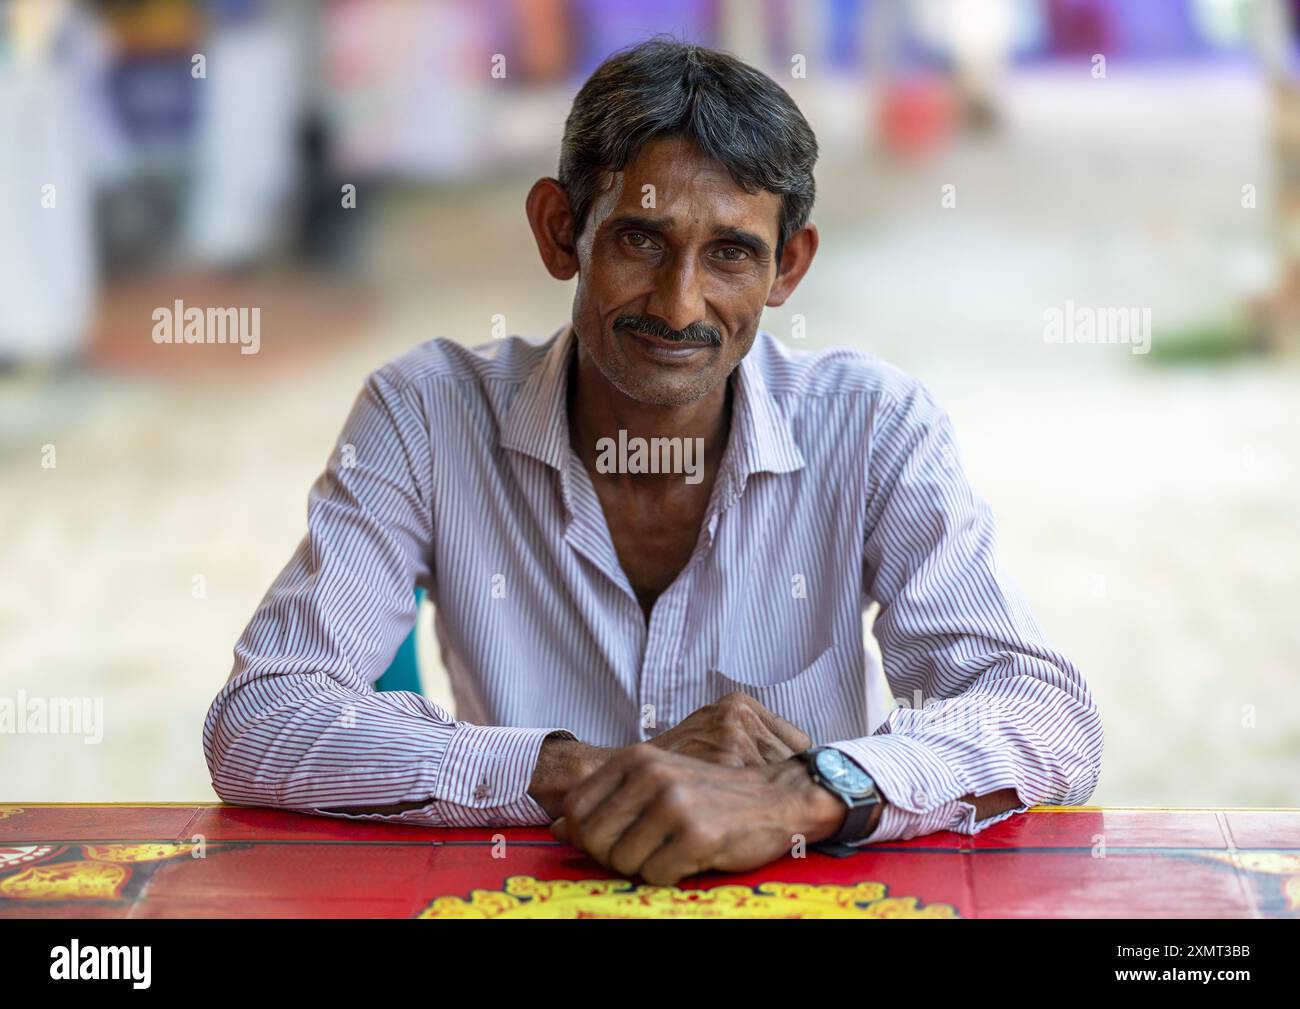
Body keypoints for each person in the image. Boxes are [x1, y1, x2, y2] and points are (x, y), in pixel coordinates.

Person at [203, 36, 1103, 886]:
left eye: (732, 254)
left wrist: (800, 791)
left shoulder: (872, 425)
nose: (679, 306)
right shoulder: (429, 414)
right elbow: (263, 719)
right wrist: (574, 771)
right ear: (561, 232)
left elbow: (1044, 713)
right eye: (641, 239)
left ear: (788, 268)